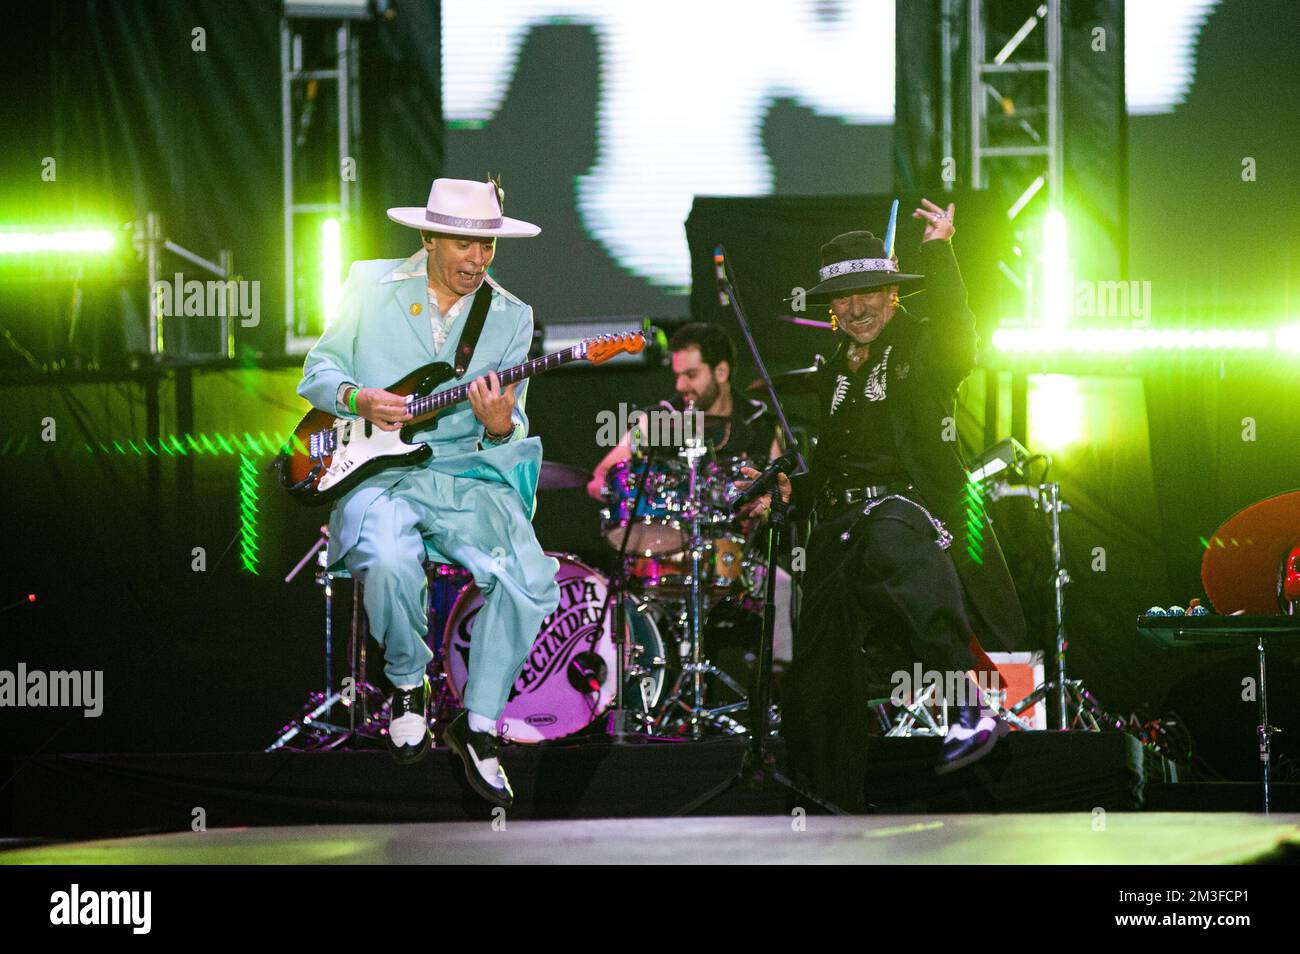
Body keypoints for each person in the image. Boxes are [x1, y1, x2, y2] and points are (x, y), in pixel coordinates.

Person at [738, 199, 1028, 812]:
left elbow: (961, 341)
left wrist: (941, 251)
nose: (858, 306)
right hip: (839, 530)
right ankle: (829, 804)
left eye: (870, 291)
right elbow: (836, 458)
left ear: (893, 293)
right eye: (844, 298)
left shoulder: (922, 344)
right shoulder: (832, 370)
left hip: (907, 509)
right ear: (831, 307)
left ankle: (969, 708)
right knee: (817, 681)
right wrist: (793, 493)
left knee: (896, 540)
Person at [297, 177, 560, 808]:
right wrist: (359, 398)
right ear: (430, 236)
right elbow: (319, 371)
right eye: (466, 245)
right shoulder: (369, 283)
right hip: (379, 469)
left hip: (464, 474)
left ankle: (478, 725)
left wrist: (502, 424)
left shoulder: (510, 317)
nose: (477, 260)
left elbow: (511, 422)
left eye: (488, 247)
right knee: (386, 555)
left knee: (531, 581)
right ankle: (407, 684)